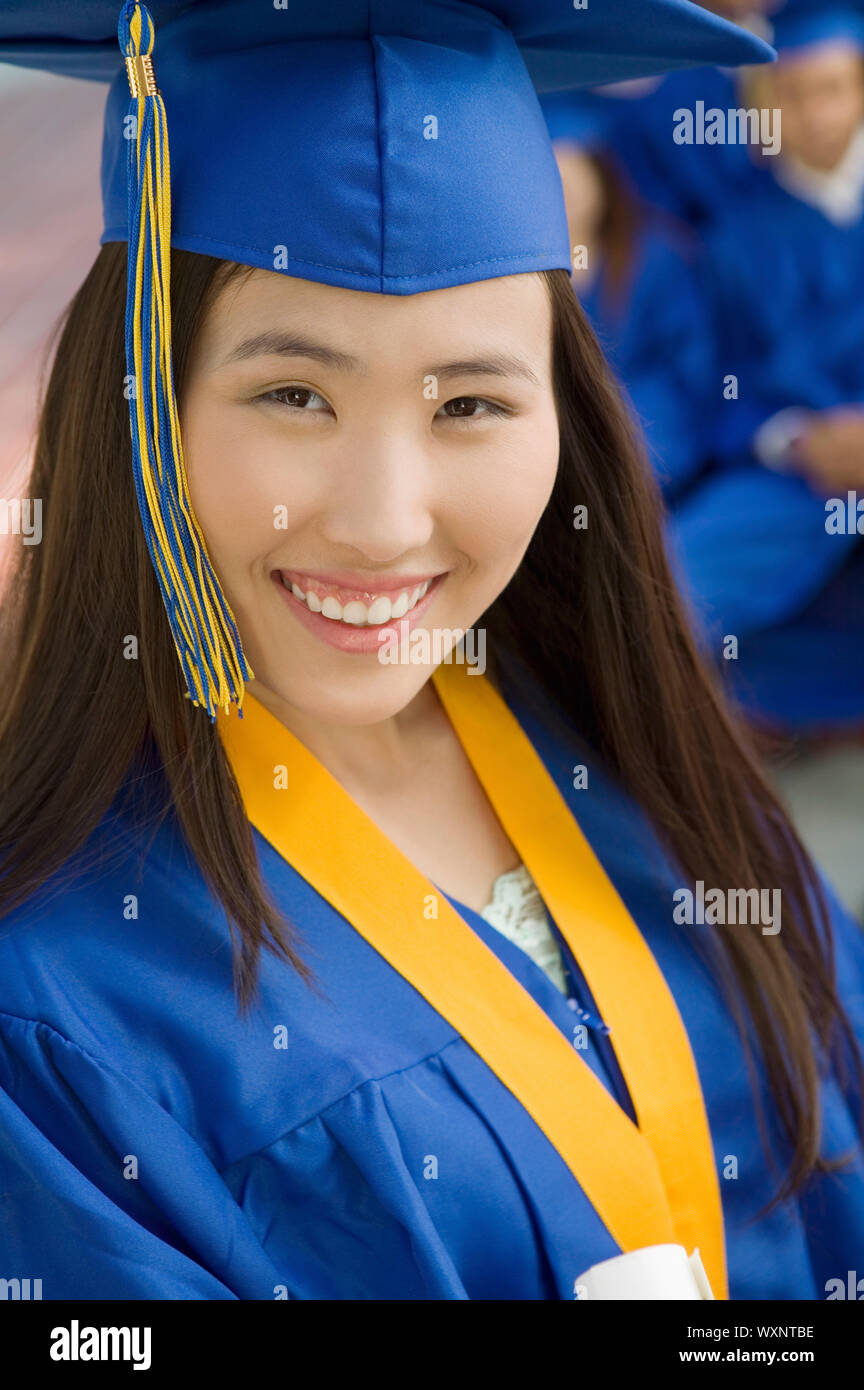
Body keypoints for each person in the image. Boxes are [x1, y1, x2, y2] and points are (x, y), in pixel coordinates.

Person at [0, 1, 861, 1303]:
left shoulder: (647, 761)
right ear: (141, 403)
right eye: (293, 392)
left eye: (471, 402)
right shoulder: (57, 992)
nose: (384, 520)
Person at [670, 3, 864, 733]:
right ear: (760, 102)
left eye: (835, 88)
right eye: (792, 92)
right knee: (672, 585)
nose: (815, 113)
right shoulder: (734, 239)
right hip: (798, 473)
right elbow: (715, 391)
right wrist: (794, 439)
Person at [540, 95, 713, 499]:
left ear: (603, 178)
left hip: (643, 435)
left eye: (573, 174)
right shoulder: (513, 268)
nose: (562, 192)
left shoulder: (656, 255)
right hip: (547, 442)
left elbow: (686, 369)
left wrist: (606, 433)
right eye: (548, 174)